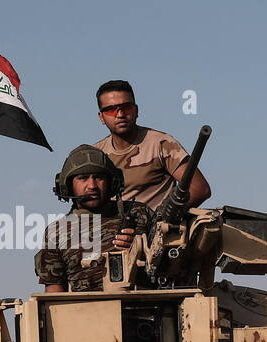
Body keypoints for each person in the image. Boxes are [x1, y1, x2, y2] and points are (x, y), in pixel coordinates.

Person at [35, 145, 152, 293]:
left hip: (146, 305)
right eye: (82, 178)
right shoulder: (56, 232)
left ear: (112, 182)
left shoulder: (139, 213)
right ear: (67, 186)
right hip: (89, 312)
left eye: (99, 178)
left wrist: (140, 246)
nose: (92, 186)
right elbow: (54, 291)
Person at [91, 80, 211, 213]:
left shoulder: (161, 144)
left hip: (155, 230)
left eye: (126, 107)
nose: (120, 114)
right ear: (101, 117)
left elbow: (199, 189)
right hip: (108, 229)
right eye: (111, 110)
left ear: (136, 111)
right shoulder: (94, 154)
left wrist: (161, 219)